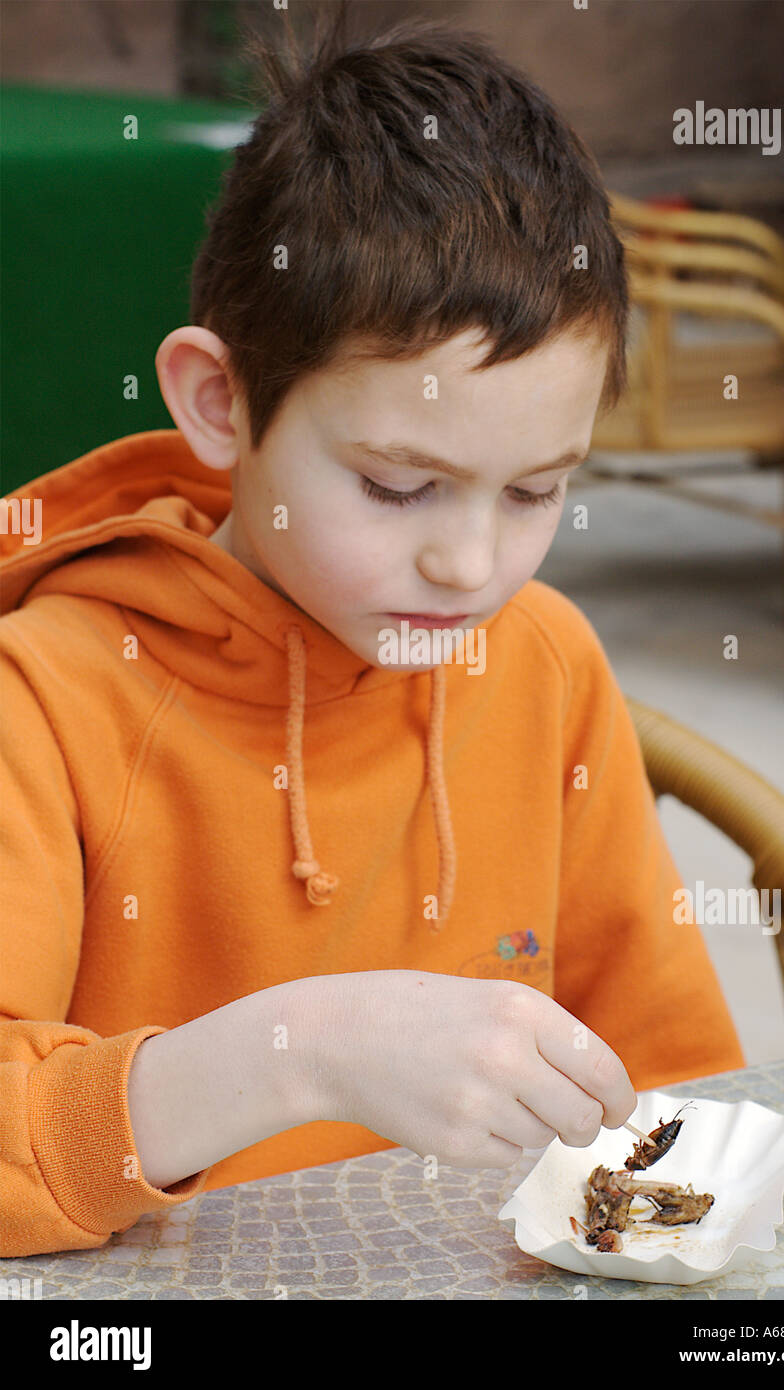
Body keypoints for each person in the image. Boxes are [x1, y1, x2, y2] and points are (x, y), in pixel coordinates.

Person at [0, 5, 744, 1257]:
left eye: (536, 491)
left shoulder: (545, 660)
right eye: (399, 487)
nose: (469, 563)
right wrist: (304, 1052)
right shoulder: (50, 697)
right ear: (219, 404)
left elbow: (673, 1082)